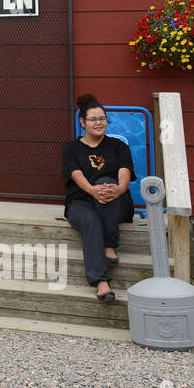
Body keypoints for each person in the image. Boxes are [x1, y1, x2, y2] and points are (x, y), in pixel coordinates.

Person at [62, 93, 134, 302]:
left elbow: (124, 171)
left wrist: (120, 189)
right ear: (83, 122)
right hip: (80, 203)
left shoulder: (118, 146)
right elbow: (76, 175)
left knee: (106, 183)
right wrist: (93, 191)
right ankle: (102, 282)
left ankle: (109, 244)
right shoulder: (71, 148)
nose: (99, 123)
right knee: (91, 221)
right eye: (93, 119)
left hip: (116, 200)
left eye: (102, 118)